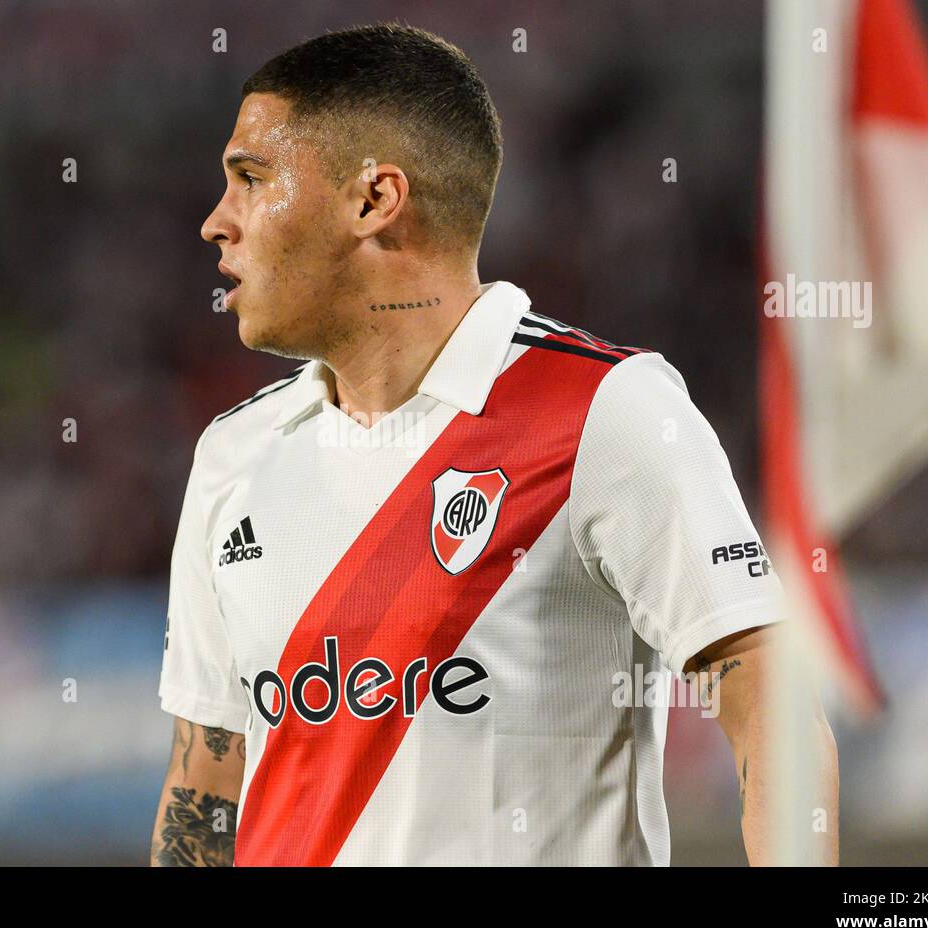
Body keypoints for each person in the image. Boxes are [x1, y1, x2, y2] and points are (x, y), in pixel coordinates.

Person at [152, 22, 837, 866]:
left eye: (251, 179)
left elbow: (771, 710)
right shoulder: (234, 452)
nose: (218, 223)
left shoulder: (605, 410)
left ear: (373, 200)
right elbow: (207, 786)